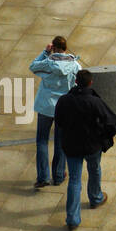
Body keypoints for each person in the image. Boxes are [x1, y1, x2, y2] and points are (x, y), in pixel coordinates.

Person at [53, 69, 116, 231]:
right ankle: (95, 197)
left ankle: (72, 219)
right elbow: (112, 122)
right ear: (90, 83)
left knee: (74, 180)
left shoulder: (64, 100)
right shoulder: (95, 102)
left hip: (71, 146)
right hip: (92, 145)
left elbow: (59, 122)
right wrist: (104, 135)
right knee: (94, 169)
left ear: (75, 82)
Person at [29, 36, 81, 190]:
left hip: (46, 107)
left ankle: (43, 177)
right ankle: (58, 175)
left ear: (54, 48)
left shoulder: (48, 63)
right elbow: (79, 84)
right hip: (64, 108)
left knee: (42, 141)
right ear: (65, 48)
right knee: (60, 142)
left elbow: (33, 66)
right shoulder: (75, 66)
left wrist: (45, 52)